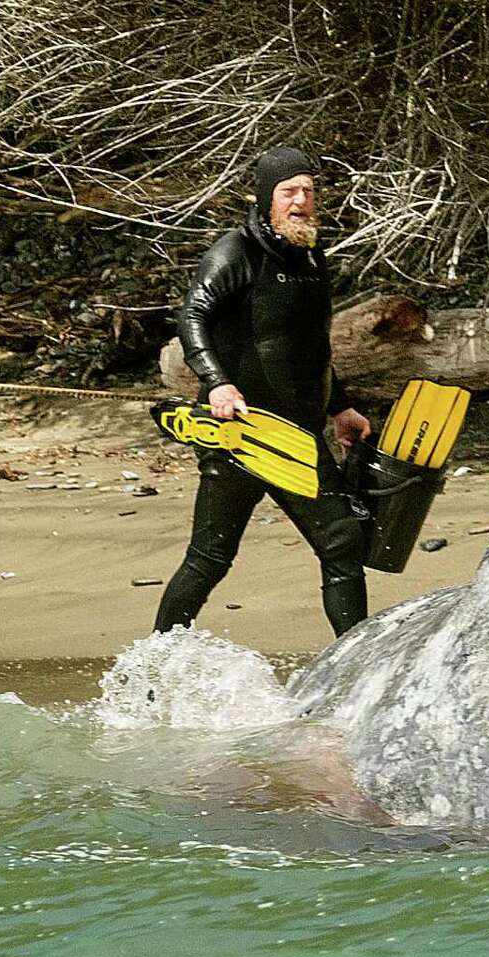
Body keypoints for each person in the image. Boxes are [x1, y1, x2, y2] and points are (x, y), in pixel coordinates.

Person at [154, 145, 374, 637]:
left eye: (309, 191)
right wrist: (217, 383)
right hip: (240, 433)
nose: (301, 200)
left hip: (295, 436)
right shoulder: (236, 251)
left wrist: (339, 407)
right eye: (289, 191)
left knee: (342, 543)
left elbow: (307, 347)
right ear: (266, 198)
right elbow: (192, 316)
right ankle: (155, 663)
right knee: (211, 557)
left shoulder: (311, 256)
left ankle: (354, 664)